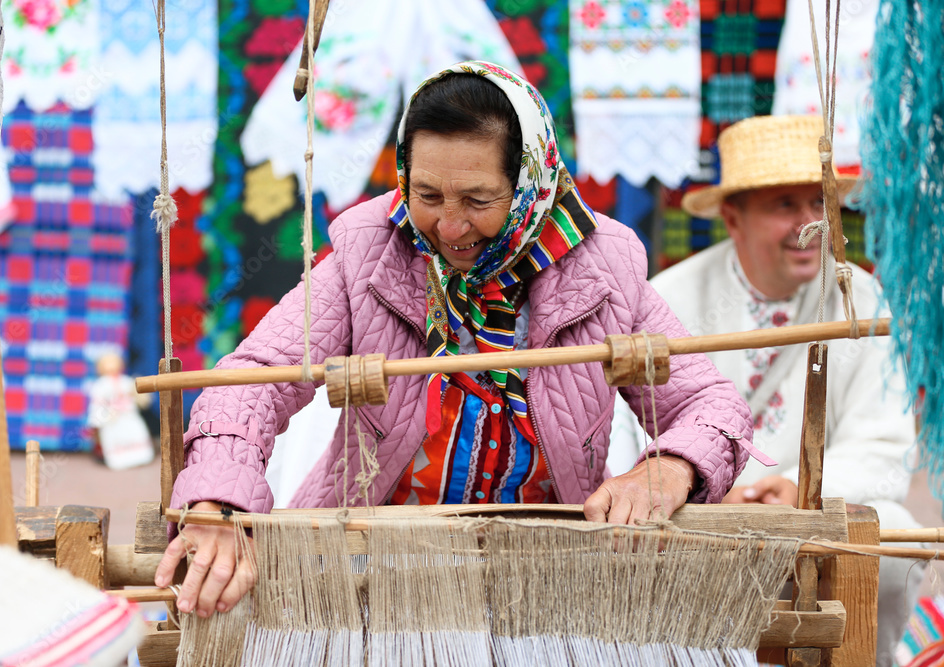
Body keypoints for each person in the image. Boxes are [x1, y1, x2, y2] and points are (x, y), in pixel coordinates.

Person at [155, 62, 759, 620]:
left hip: (549, 576)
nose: (448, 226)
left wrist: (669, 468)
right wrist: (218, 505)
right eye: (427, 196)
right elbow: (251, 379)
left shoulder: (599, 270)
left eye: (478, 200)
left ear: (529, 180)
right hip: (366, 571)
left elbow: (710, 404)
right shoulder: (368, 254)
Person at [610, 114, 924, 666]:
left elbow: (886, 445)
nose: (811, 225)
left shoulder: (864, 300)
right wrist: (696, 485)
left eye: (817, 204)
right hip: (695, 514)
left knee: (897, 535)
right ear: (733, 217)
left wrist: (799, 486)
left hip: (815, 510)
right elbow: (621, 433)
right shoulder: (668, 300)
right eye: (785, 205)